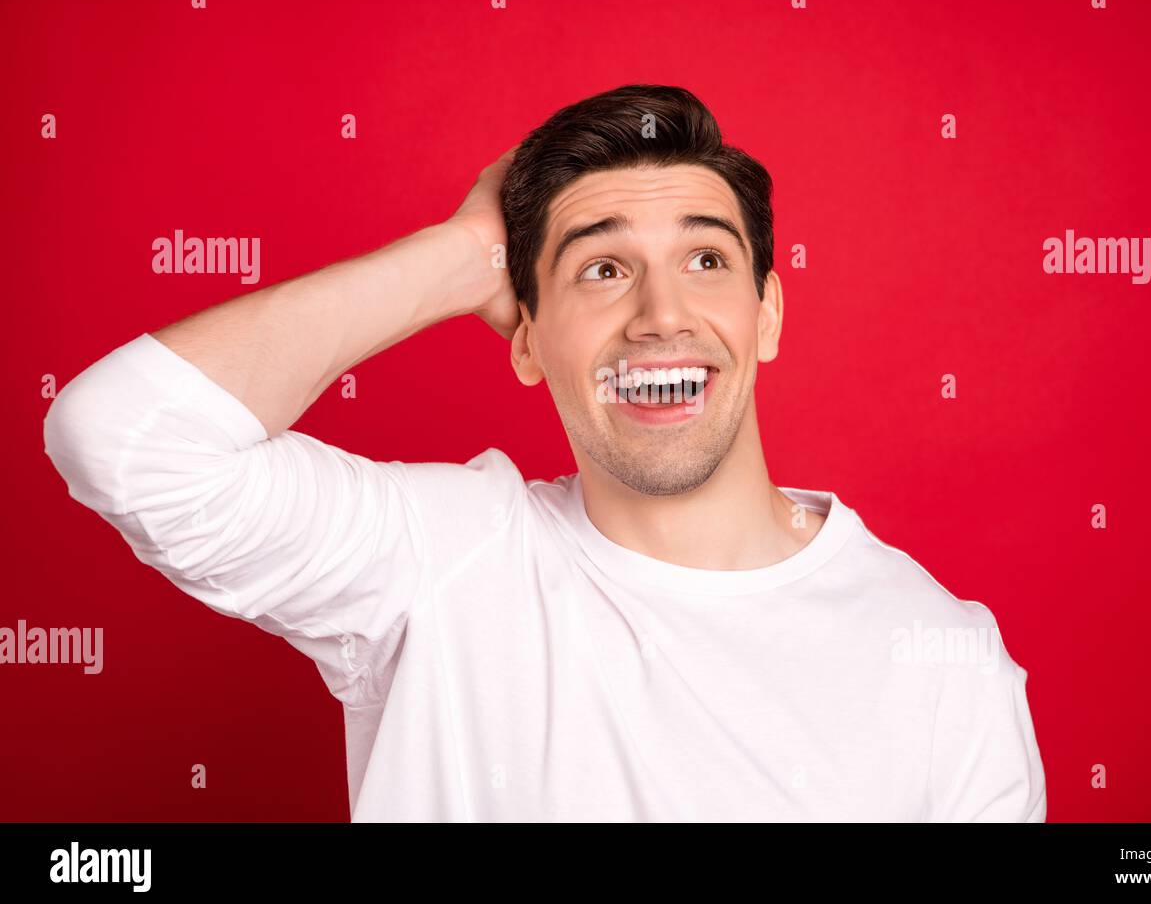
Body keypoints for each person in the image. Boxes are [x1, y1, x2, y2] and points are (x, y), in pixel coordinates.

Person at [43, 83, 1047, 822]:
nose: (662, 316)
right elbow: (126, 436)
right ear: (525, 336)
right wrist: (463, 256)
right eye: (602, 268)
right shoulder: (444, 561)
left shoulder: (942, 659)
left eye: (706, 260)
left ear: (766, 312)